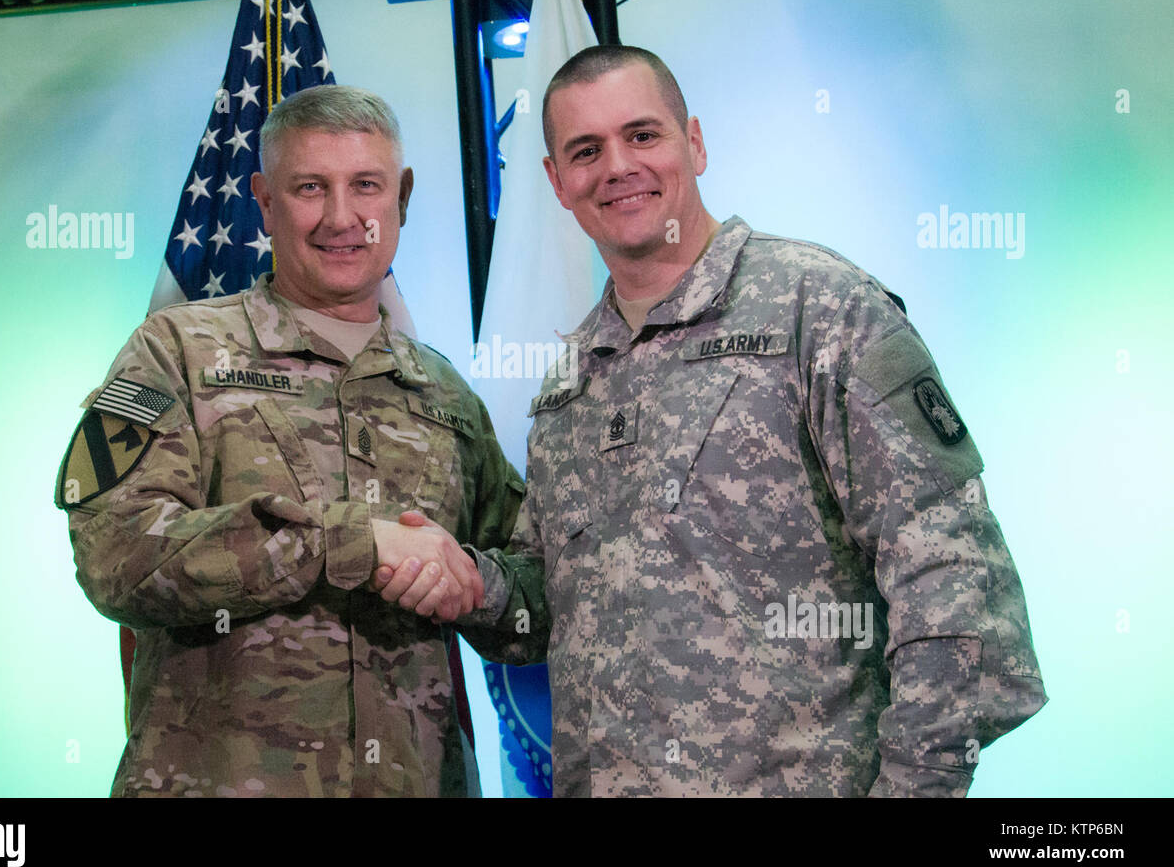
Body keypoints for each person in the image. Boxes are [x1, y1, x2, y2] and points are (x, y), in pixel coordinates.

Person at [383, 45, 1047, 797]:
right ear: (557, 182)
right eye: (586, 150)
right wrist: (475, 584)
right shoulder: (571, 384)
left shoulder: (819, 310)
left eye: (642, 135)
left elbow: (952, 575)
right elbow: (556, 603)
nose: (618, 166)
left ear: (693, 142)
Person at [55, 84, 523, 797]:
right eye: (310, 187)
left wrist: (475, 585)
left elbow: (538, 597)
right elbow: (116, 554)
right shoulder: (174, 352)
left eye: (366, 185)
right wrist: (351, 545)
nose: (342, 217)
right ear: (265, 201)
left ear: (401, 197)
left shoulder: (445, 394)